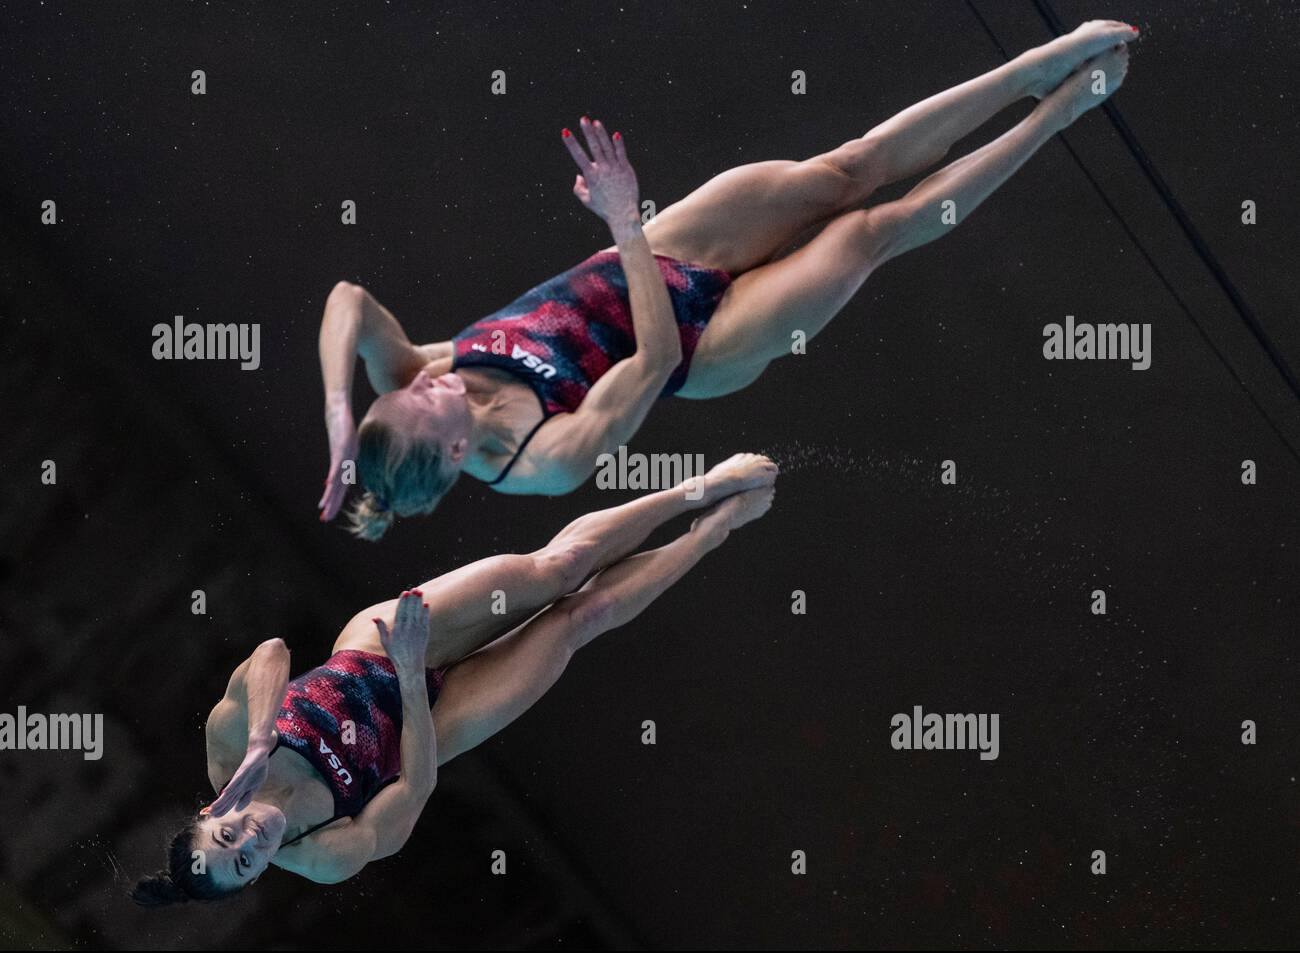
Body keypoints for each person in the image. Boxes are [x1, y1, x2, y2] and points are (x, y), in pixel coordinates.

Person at [316, 21, 1135, 538]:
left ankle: (1028, 70)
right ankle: (1053, 116)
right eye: (426, 404)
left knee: (843, 172)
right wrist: (622, 219)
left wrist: (342, 416)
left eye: (403, 391)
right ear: (458, 452)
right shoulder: (544, 458)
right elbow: (652, 355)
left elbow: (348, 302)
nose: (426, 379)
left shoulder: (412, 386)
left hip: (657, 247)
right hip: (702, 346)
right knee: (872, 231)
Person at [133, 454, 777, 902]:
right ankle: (709, 534)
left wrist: (259, 742)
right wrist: (415, 683)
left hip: (374, 650)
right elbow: (416, 784)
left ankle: (701, 489)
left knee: (561, 568)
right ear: (256, 877)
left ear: (208, 811)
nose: (252, 838)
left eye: (227, 834)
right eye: (247, 861)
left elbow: (270, 651)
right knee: (581, 618)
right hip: (432, 720)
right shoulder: (326, 855)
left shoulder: (224, 748)